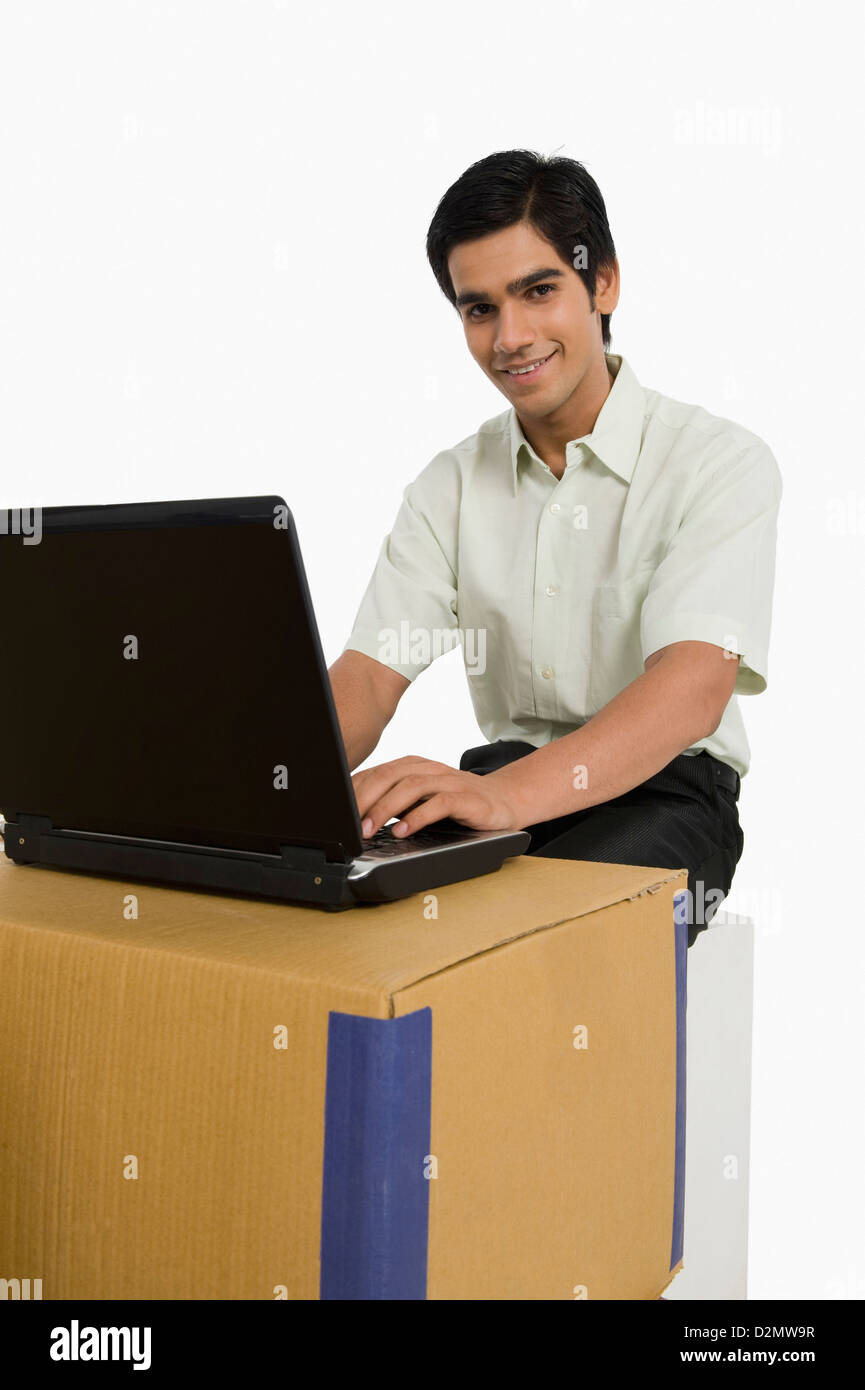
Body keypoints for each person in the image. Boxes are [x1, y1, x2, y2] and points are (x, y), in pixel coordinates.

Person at [328, 149, 781, 948]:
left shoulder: (717, 462)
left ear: (601, 283)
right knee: (350, 908)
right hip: (497, 782)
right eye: (478, 309)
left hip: (668, 797)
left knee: (538, 948)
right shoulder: (449, 485)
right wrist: (268, 787)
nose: (511, 337)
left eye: (538, 291)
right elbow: (367, 675)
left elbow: (689, 691)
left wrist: (503, 801)